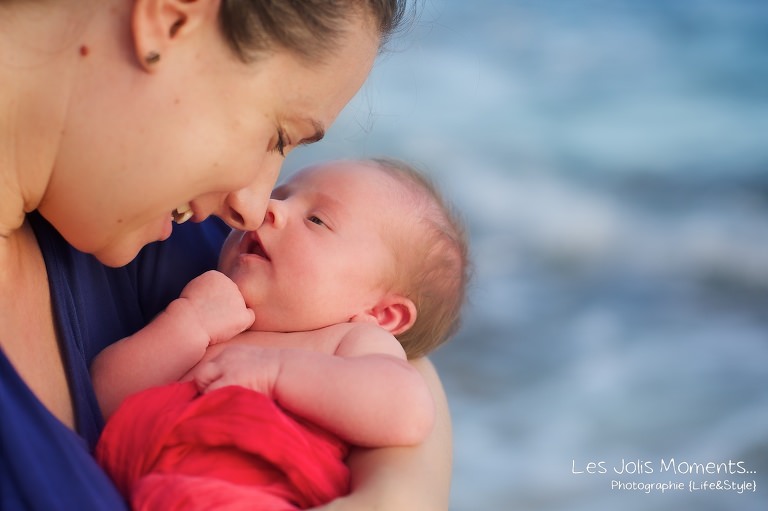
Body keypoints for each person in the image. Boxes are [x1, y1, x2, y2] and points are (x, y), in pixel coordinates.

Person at [0, 2, 453, 510]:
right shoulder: (145, 224)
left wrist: (398, 493)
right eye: (277, 137)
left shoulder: (153, 225)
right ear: (169, 20)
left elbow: (401, 355)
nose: (255, 208)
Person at [91, 158, 470, 510]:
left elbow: (406, 409)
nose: (271, 209)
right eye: (281, 195)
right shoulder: (205, 317)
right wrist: (186, 323)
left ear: (381, 313)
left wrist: (277, 374)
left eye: (317, 221)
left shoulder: (349, 342)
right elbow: (102, 397)